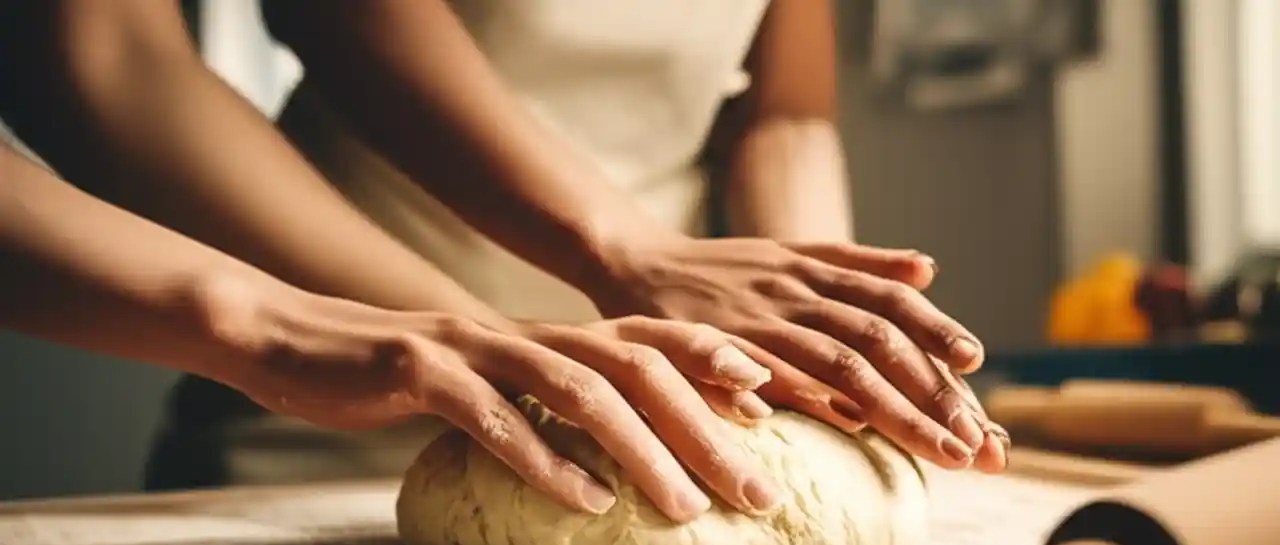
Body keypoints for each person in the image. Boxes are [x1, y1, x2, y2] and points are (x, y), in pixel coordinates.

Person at [0, 0, 1005, 503]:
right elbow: (108, 52)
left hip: (688, 415)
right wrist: (603, 270)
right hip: (334, 417)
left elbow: (781, 115)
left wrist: (816, 346)